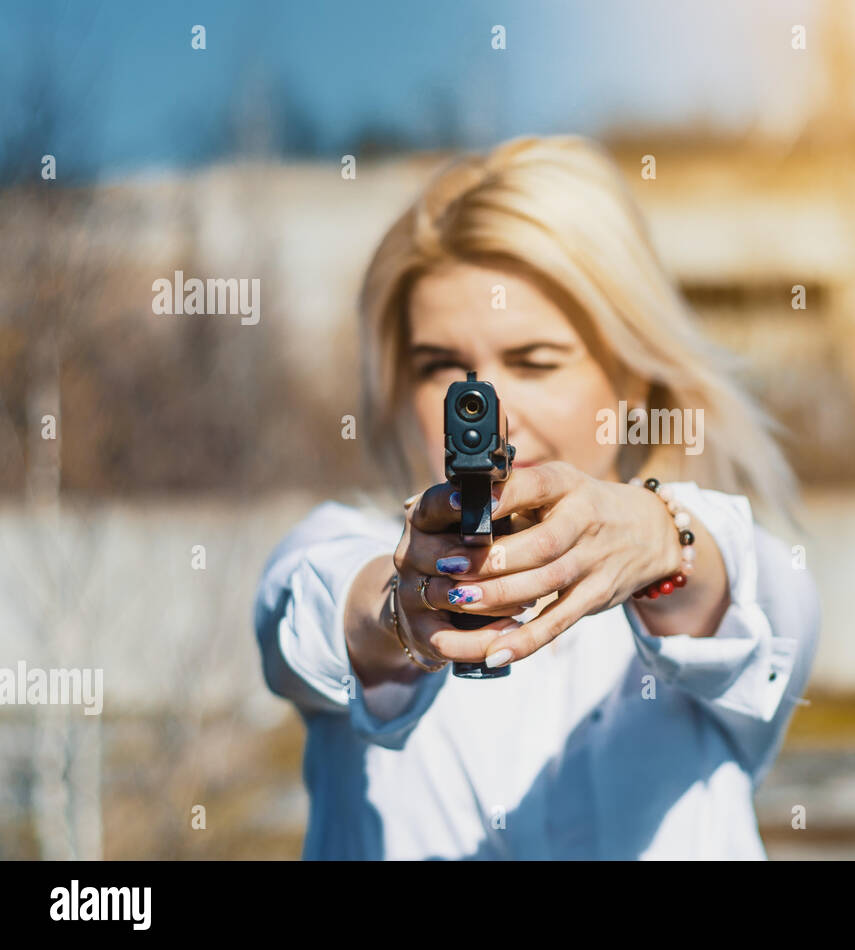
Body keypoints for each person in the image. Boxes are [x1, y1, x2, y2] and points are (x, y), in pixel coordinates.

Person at [253, 134, 820, 859]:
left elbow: (766, 604)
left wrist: (659, 540)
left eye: (534, 360)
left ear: (632, 377)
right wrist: (400, 612)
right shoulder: (340, 547)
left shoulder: (722, 574)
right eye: (441, 369)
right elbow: (302, 613)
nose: (489, 406)